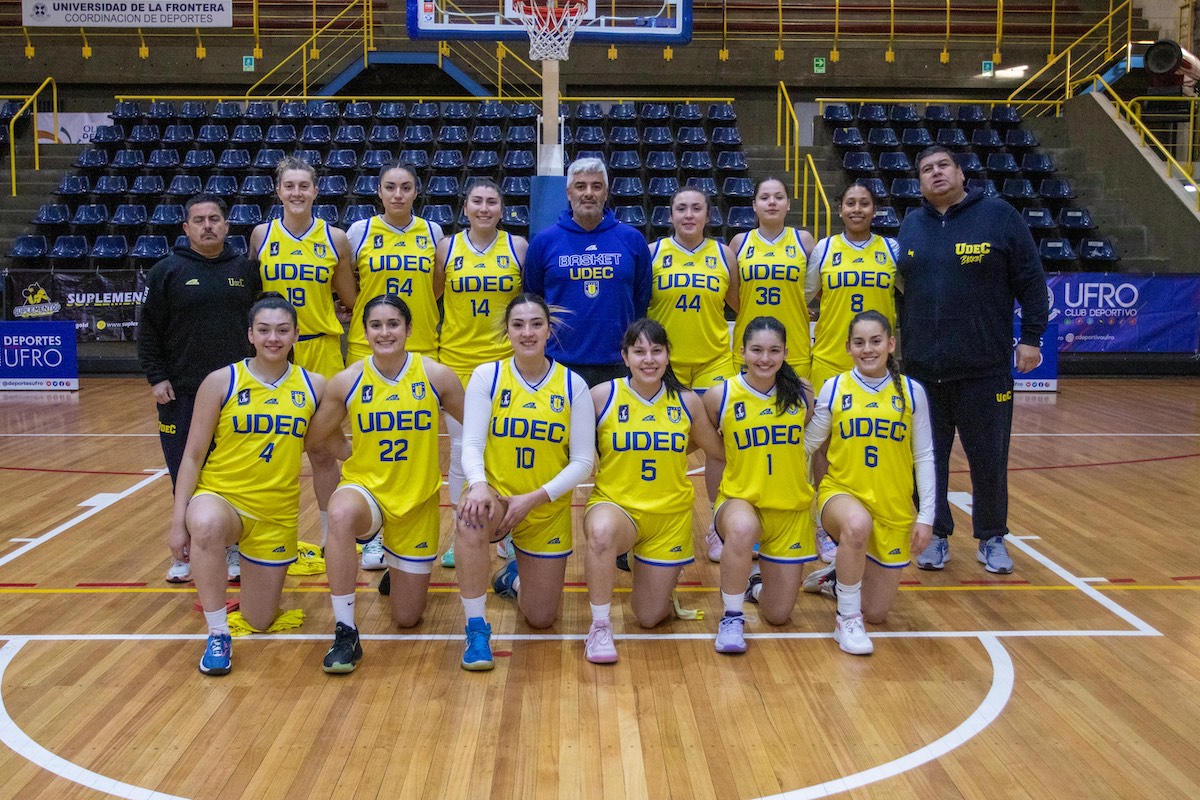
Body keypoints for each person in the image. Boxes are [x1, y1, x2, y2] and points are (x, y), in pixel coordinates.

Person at [897, 145, 1048, 575]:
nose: (936, 173)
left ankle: (992, 537)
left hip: (985, 369)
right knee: (925, 460)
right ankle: (936, 536)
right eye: (926, 169)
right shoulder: (911, 225)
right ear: (920, 181)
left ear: (962, 173)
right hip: (923, 372)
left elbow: (1032, 281)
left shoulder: (1000, 217)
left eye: (943, 165)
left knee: (989, 459)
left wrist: (1031, 338)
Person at [167, 294, 326, 676]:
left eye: (283, 330)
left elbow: (328, 451)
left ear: (296, 335)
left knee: (259, 620)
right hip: (223, 498)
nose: (274, 338)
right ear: (250, 335)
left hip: (276, 512)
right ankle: (218, 631)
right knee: (204, 524)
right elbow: (191, 455)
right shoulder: (221, 381)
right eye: (265, 330)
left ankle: (244, 605)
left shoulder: (316, 386)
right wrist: (178, 521)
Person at [305, 295, 464, 673]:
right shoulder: (348, 380)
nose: (385, 332)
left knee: (407, 618)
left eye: (393, 324)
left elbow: (476, 429)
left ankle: (397, 567)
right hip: (367, 489)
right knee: (341, 513)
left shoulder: (437, 376)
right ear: (364, 332)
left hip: (417, 499)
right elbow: (316, 437)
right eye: (375, 325)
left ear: (409, 330)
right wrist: (348, 454)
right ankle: (346, 631)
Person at [454, 294, 595, 671]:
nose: (527, 332)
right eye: (518, 325)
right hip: (497, 498)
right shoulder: (488, 376)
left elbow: (583, 462)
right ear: (508, 331)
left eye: (536, 324)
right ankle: (476, 627)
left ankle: (513, 579)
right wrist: (479, 484)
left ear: (549, 330)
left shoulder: (572, 385)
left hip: (544, 508)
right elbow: (471, 444)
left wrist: (532, 500)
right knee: (469, 514)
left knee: (541, 618)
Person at [582, 319, 723, 664]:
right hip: (618, 507)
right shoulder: (603, 396)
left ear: (668, 355)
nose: (649, 359)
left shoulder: (687, 401)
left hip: (669, 518)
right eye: (639, 351)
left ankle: (654, 578)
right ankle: (600, 627)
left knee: (649, 618)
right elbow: (574, 453)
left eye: (656, 351)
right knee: (600, 534)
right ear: (625, 356)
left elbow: (718, 451)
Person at [138, 193, 262, 584]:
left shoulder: (246, 270)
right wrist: (157, 377)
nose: (207, 225)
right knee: (185, 472)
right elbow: (148, 332)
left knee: (236, 472)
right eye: (199, 220)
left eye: (214, 219)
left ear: (227, 226)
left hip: (237, 391)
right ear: (186, 228)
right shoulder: (167, 271)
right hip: (184, 393)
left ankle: (232, 546)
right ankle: (188, 549)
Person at [802, 310, 934, 656]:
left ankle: (838, 577)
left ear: (891, 344)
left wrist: (926, 516)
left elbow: (924, 456)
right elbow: (808, 443)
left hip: (893, 507)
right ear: (848, 347)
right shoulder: (835, 387)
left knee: (876, 612)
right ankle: (846, 619)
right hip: (841, 495)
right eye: (859, 343)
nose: (868, 349)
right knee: (856, 525)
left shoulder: (910, 391)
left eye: (876, 341)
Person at [250, 156, 357, 550]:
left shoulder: (336, 238)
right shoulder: (262, 236)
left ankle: (334, 537)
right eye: (289, 185)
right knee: (273, 449)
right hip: (275, 353)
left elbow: (350, 298)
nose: (297, 192)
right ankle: (272, 536)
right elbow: (254, 298)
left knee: (323, 449)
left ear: (315, 191)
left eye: (304, 186)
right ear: (278, 190)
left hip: (321, 349)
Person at [344, 161, 444, 570]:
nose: (398, 194)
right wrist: (372, 324)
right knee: (370, 442)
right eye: (390, 187)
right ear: (379, 192)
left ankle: (411, 531)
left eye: (405, 187)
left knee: (418, 444)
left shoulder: (433, 233)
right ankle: (374, 534)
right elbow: (347, 286)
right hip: (366, 346)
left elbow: (435, 287)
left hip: (422, 346)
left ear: (416, 192)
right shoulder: (359, 232)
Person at [702, 316, 814, 655]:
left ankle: (754, 587)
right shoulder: (719, 395)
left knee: (778, 615)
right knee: (741, 527)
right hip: (740, 499)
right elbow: (710, 450)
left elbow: (813, 442)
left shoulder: (803, 391)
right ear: (741, 352)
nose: (765, 358)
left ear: (786, 353)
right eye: (757, 350)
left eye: (774, 350)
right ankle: (732, 617)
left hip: (789, 508)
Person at [804, 181, 900, 565]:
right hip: (829, 360)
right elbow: (805, 295)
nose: (857, 209)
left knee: (873, 442)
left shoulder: (891, 250)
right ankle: (824, 526)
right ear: (840, 209)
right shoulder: (825, 249)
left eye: (864, 203)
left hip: (877, 365)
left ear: (874, 210)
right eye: (850, 203)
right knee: (823, 448)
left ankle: (871, 517)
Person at [433, 179, 527, 569]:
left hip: (504, 363)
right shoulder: (447, 248)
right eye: (477, 201)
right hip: (456, 360)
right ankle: (463, 531)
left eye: (492, 202)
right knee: (461, 451)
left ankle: (504, 532)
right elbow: (434, 295)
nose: (484, 208)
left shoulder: (518, 247)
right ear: (466, 207)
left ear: (502, 209)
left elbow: (528, 304)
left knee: (502, 450)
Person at [522, 157, 652, 387]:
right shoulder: (543, 242)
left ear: (606, 193)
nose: (588, 193)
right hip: (559, 362)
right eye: (580, 186)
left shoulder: (632, 240)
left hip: (619, 362)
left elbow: (641, 299)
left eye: (596, 186)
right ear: (569, 193)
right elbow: (534, 299)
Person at [647, 186, 740, 394]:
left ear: (707, 216)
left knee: (716, 425)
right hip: (664, 361)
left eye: (696, 208)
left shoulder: (725, 255)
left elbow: (740, 305)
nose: (689, 215)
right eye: (681, 209)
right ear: (671, 216)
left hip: (715, 361)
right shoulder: (652, 253)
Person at [729, 177, 816, 376]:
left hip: (795, 344)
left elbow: (820, 286)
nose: (771, 202)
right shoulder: (739, 242)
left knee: (796, 407)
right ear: (754, 205)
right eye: (764, 197)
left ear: (788, 204)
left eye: (778, 197)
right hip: (749, 345)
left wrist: (795, 304)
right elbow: (731, 294)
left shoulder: (804, 240)